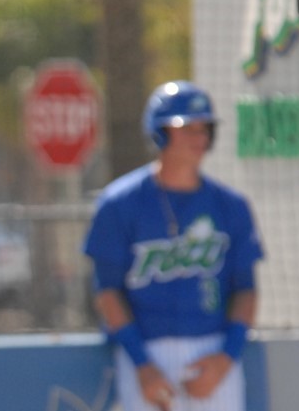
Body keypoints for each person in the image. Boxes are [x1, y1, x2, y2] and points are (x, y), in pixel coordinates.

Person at [82, 80, 264, 411]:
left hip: (214, 351)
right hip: (145, 353)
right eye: (187, 128)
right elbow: (107, 291)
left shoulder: (231, 205)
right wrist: (142, 364)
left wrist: (226, 357)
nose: (200, 137)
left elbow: (246, 290)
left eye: (205, 128)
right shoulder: (119, 203)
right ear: (160, 133)